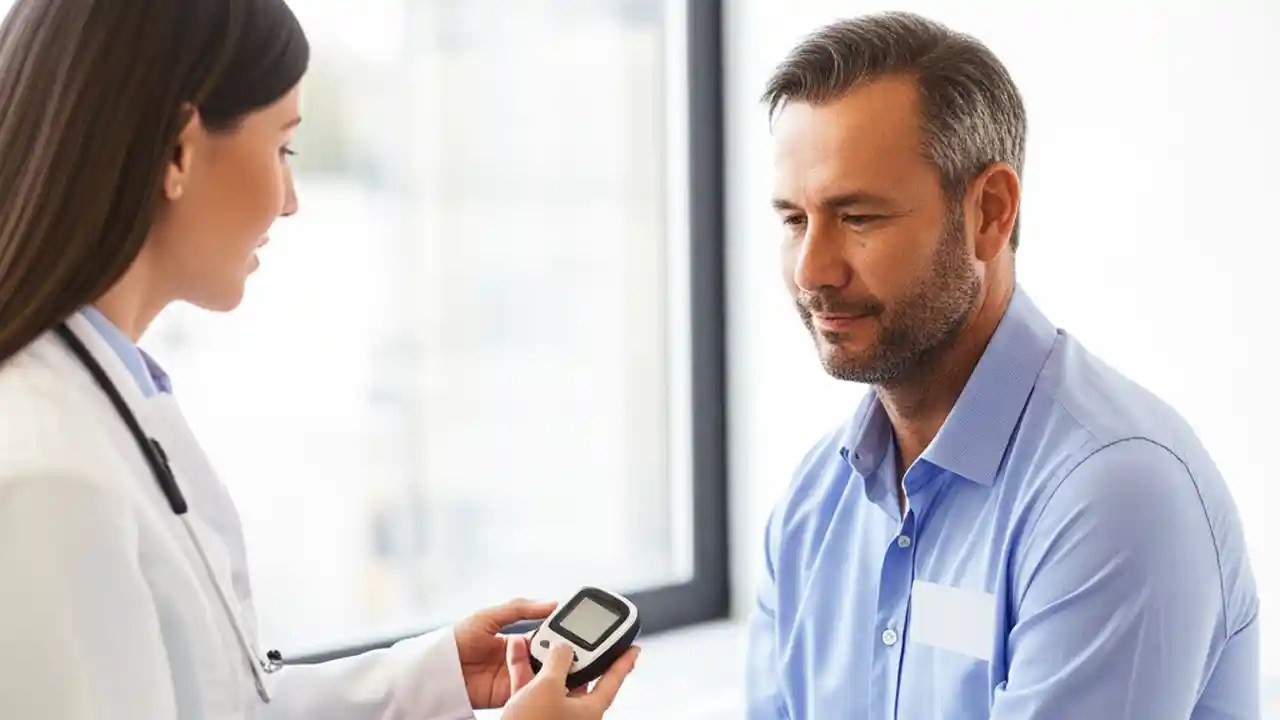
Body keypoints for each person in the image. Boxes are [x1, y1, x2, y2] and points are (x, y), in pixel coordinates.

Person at [0, 1, 638, 718]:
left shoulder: (103, 399)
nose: (292, 200)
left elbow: (218, 701)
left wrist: (430, 676)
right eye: (283, 148)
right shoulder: (51, 475)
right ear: (178, 152)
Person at [747, 12, 1258, 719]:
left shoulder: (1114, 495)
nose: (813, 271)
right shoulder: (812, 507)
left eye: (859, 218)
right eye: (794, 221)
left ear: (990, 212)